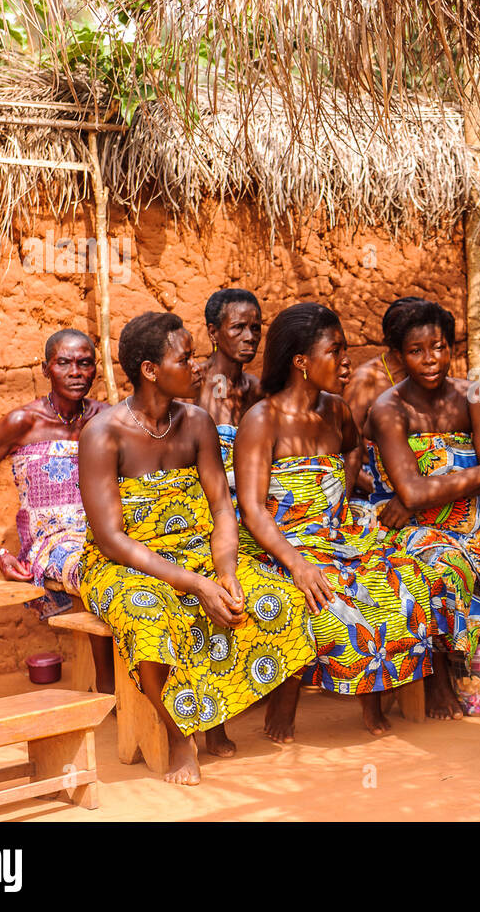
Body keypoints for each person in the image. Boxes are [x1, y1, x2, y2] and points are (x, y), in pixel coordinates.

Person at [79, 312, 317, 785]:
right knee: (150, 617)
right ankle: (178, 736)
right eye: (185, 359)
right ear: (149, 370)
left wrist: (224, 571)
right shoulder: (102, 434)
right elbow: (111, 538)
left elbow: (223, 510)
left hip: (197, 550)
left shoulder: (197, 423)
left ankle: (215, 716)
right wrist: (195, 583)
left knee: (279, 600)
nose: (197, 368)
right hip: (125, 562)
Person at [235, 303, 444, 739]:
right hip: (280, 543)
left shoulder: (335, 410)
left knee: (405, 578)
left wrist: (342, 494)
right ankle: (284, 705)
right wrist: (297, 563)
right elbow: (252, 511)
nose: (346, 359)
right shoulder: (262, 420)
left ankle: (371, 699)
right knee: (330, 598)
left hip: (338, 535)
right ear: (301, 362)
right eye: (336, 350)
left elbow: (354, 447)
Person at [366, 299, 480, 719]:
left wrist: (429, 491)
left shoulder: (471, 394)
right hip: (416, 523)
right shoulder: (388, 409)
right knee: (440, 564)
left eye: (440, 347)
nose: (431, 360)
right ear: (398, 355)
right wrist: (422, 495)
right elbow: (411, 491)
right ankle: (441, 678)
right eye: (417, 350)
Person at [0, 329, 114, 692]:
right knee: (97, 570)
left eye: (84, 364)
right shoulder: (24, 421)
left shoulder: (106, 418)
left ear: (95, 371)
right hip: (52, 542)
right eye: (64, 363)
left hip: (106, 532)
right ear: (46, 369)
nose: (75, 372)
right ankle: (108, 685)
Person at [343, 296, 424, 494]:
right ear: (397, 346)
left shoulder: (426, 374)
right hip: (374, 479)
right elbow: (345, 449)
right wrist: (378, 487)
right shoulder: (365, 380)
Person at [195, 288, 264, 464]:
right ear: (213, 333)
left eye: (255, 328)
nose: (250, 337)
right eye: (238, 327)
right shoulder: (192, 384)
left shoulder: (256, 390)